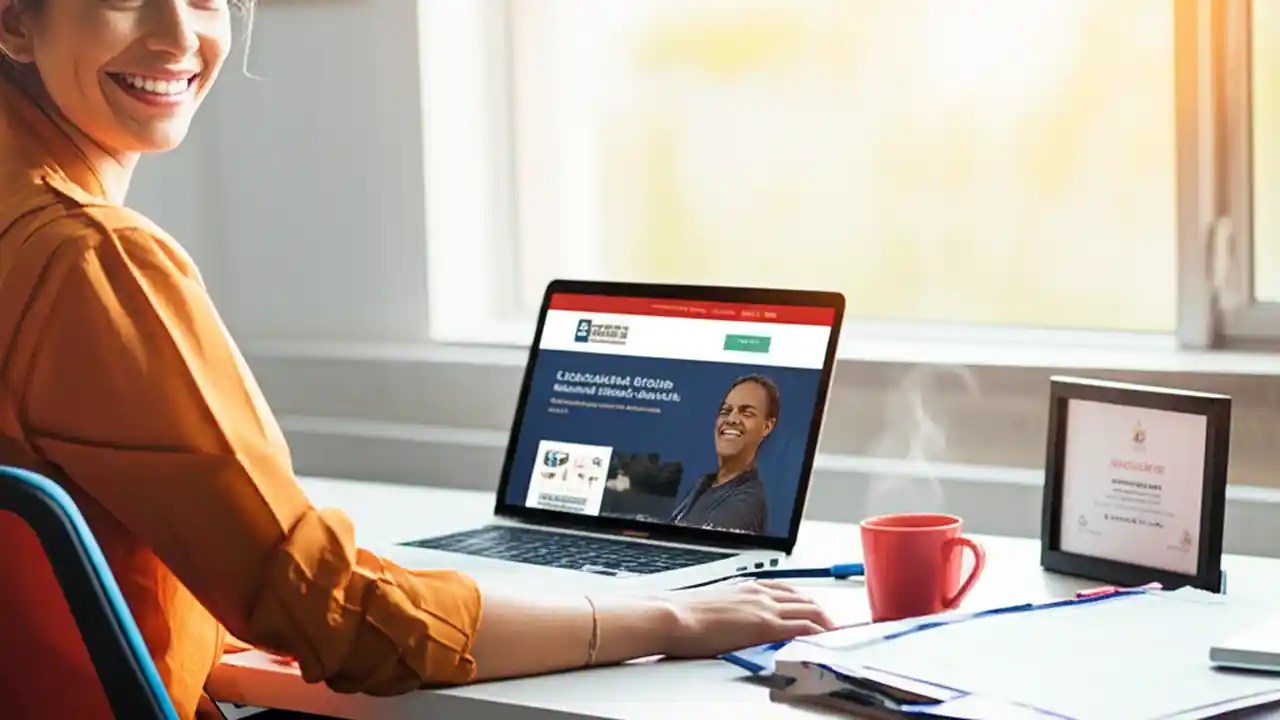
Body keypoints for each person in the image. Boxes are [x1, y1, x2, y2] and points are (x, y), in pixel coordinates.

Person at [0, 2, 833, 718]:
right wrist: (662, 618)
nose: (179, 36)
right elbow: (333, 616)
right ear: (15, 22)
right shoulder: (88, 260)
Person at [670, 375, 778, 534]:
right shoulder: (703, 485)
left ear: (767, 427)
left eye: (747, 413)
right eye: (725, 411)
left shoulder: (745, 503)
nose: (731, 419)